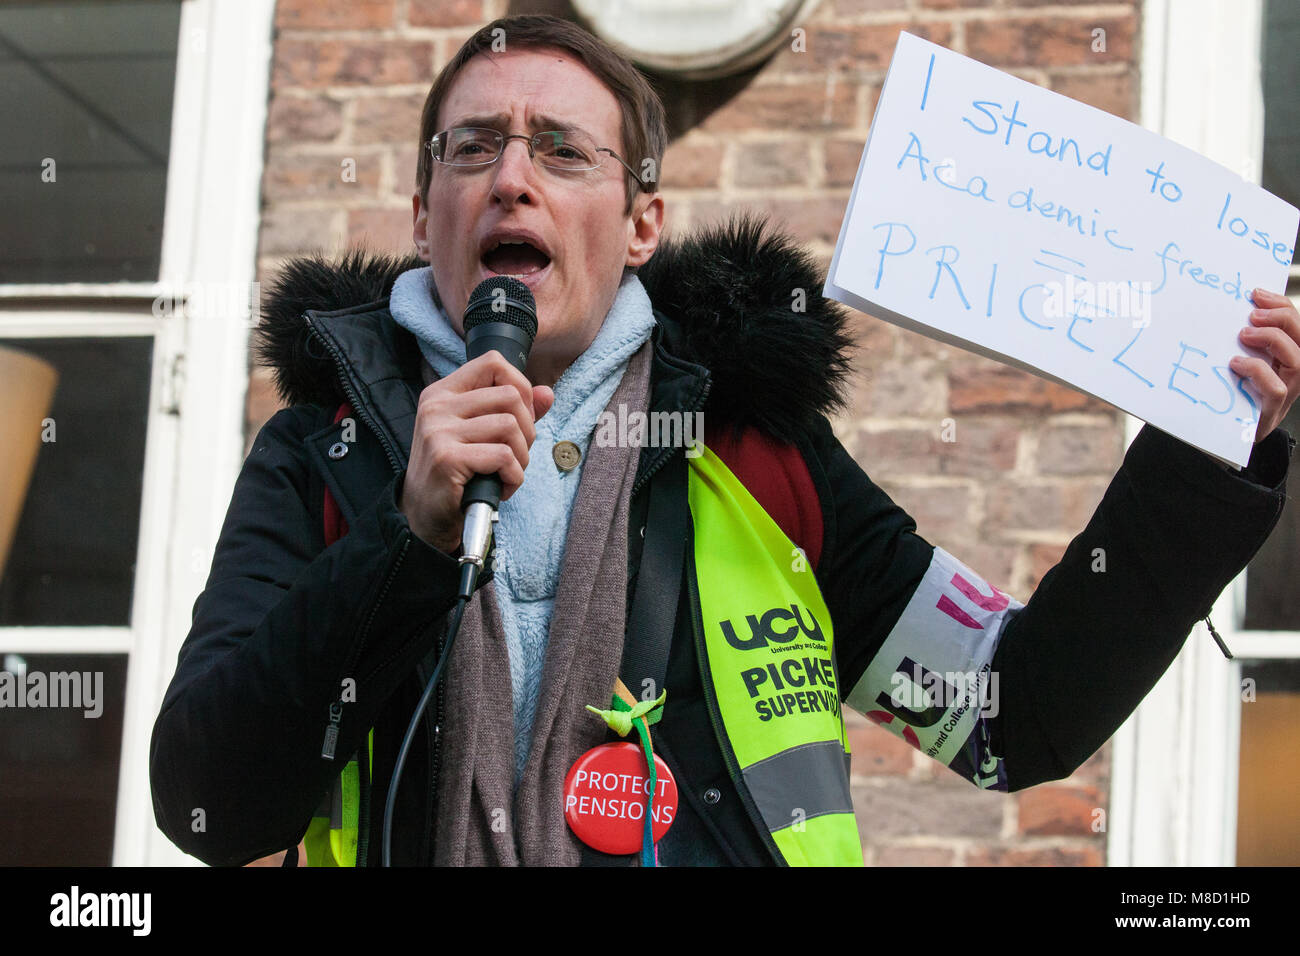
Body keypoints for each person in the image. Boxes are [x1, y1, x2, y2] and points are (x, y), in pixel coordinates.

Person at [150, 15, 1298, 867]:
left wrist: (1201, 459)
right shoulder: (322, 453)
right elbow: (207, 800)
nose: (511, 178)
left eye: (562, 151)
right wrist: (404, 538)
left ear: (642, 223)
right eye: (471, 148)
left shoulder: (760, 449)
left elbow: (1009, 711)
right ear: (421, 213)